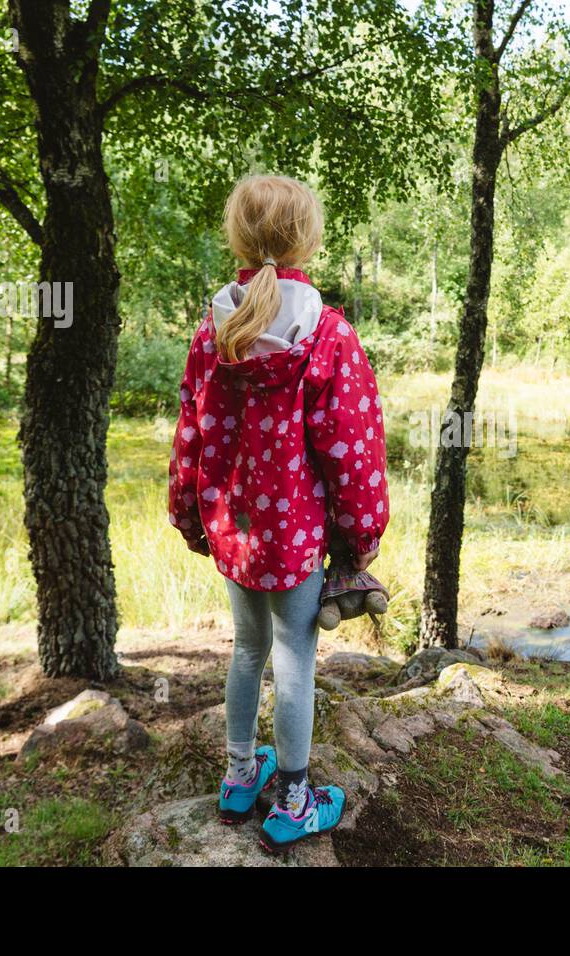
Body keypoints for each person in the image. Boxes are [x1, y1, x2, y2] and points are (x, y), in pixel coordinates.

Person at [168, 174, 389, 852]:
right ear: (309, 241)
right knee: (295, 656)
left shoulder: (215, 332)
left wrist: (188, 516)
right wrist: (361, 536)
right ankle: (294, 798)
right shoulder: (326, 335)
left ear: (237, 235)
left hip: (234, 533)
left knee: (246, 648)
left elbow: (191, 433)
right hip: (295, 537)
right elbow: (351, 448)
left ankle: (239, 779)